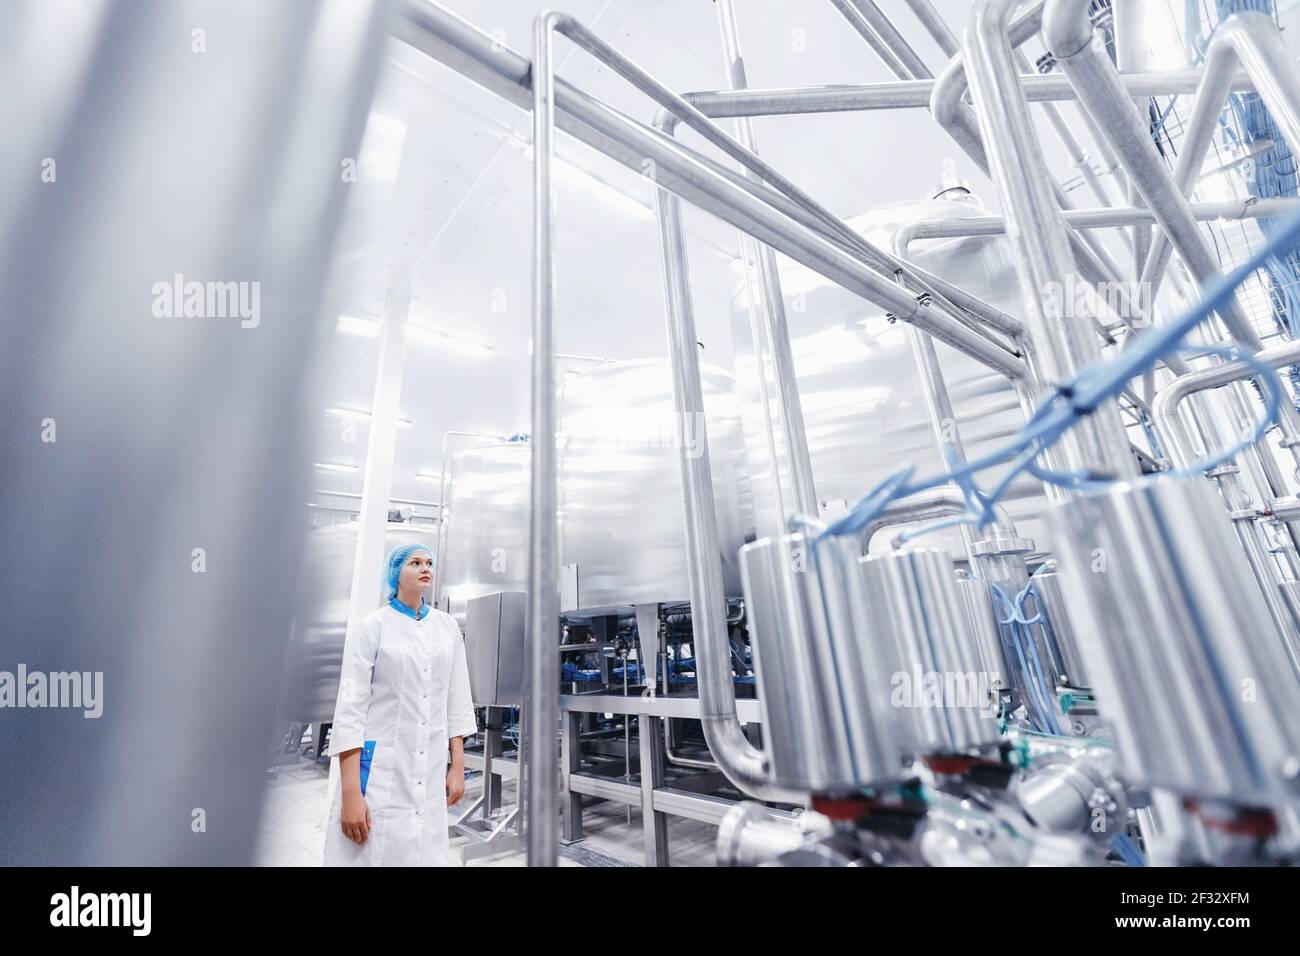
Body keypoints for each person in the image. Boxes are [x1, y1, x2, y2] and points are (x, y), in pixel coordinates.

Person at [323, 543, 477, 866]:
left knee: (424, 852)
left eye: (429, 563)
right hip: (379, 771)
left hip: (430, 769)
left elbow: (457, 701)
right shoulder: (371, 629)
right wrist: (351, 793)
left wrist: (458, 767)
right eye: (414, 562)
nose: (425, 568)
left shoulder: (447, 628)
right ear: (395, 574)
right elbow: (349, 711)